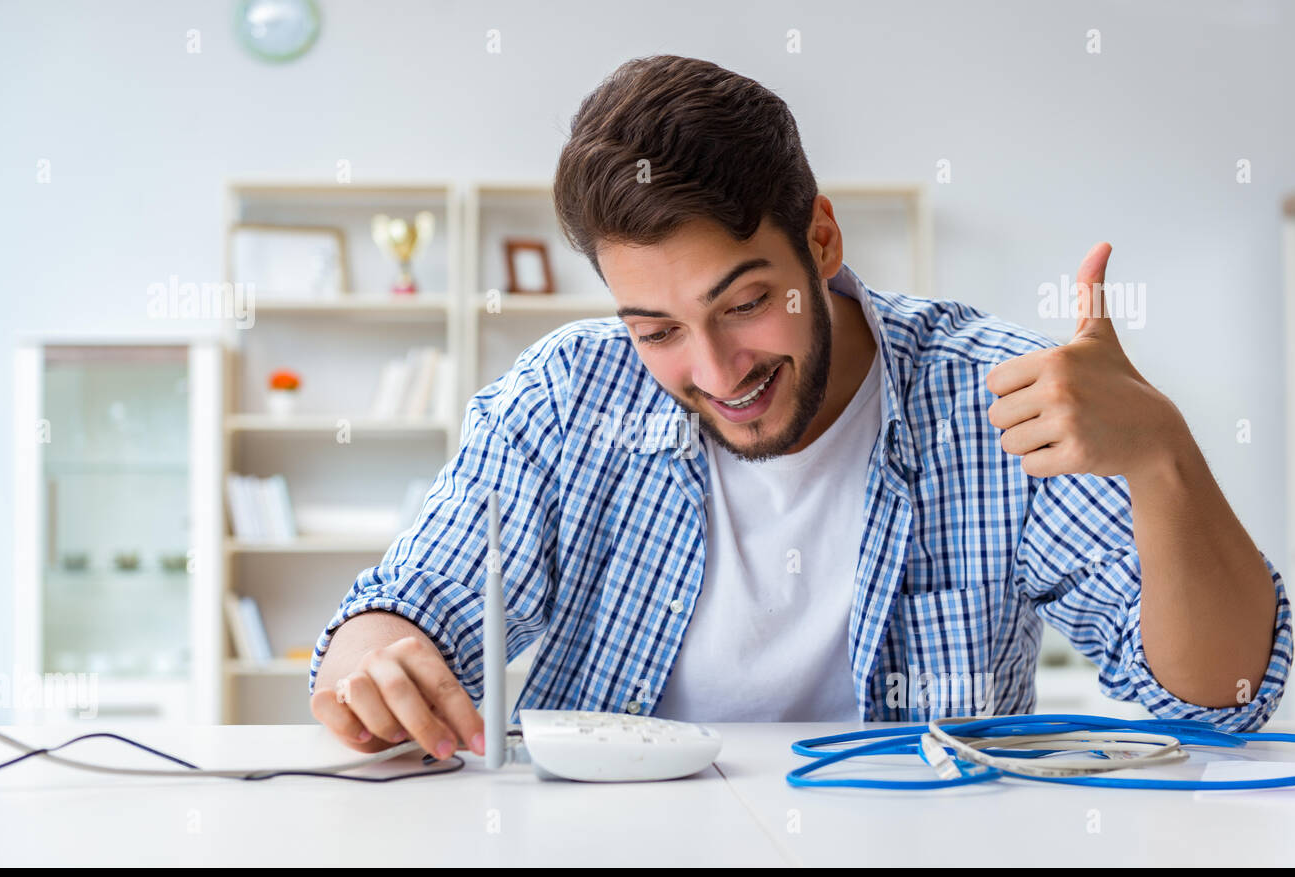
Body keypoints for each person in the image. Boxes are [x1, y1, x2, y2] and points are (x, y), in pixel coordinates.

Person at [309, 55, 1291, 760]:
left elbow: (1222, 706)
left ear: (820, 240)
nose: (714, 369)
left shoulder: (996, 395)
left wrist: (1165, 454)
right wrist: (373, 664)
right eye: (655, 328)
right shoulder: (565, 396)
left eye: (743, 305)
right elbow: (412, 607)